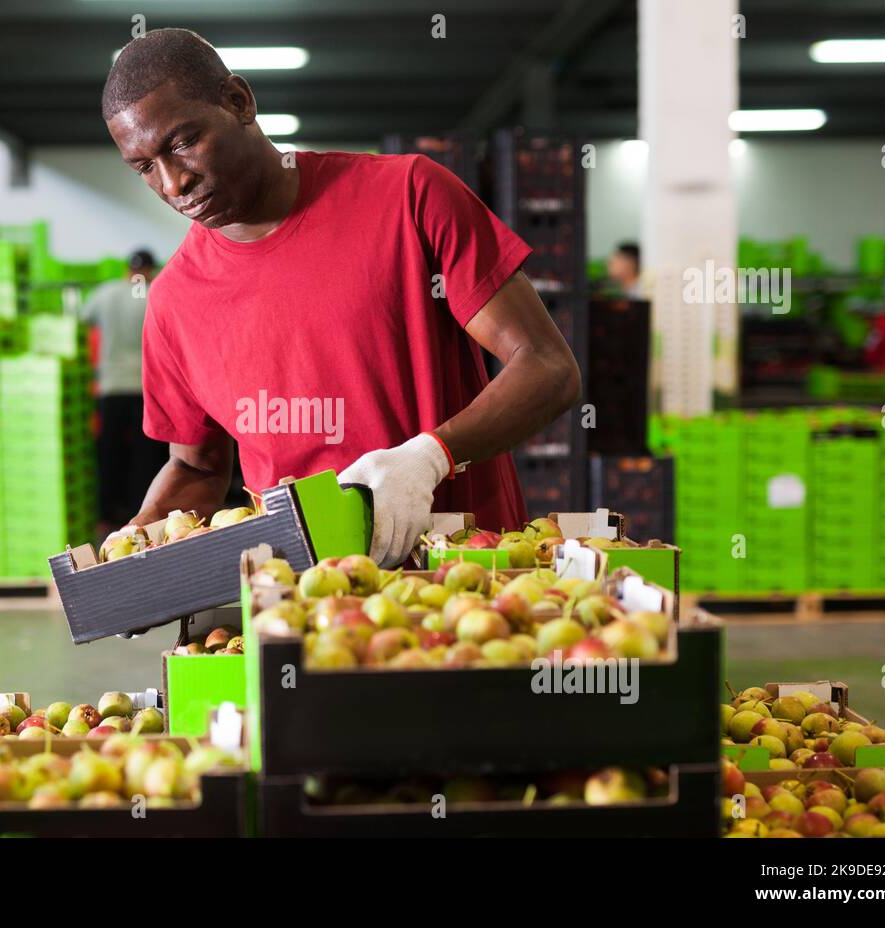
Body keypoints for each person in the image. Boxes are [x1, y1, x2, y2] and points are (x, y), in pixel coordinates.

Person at [101, 29, 581, 566]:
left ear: (238, 102)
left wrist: (430, 458)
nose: (172, 183)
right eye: (144, 166)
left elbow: (546, 367)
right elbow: (197, 468)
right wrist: (135, 551)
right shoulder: (174, 301)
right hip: (305, 596)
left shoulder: (409, 196)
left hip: (465, 573)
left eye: (183, 142)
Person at [79, 249, 170, 531]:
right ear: (152, 270)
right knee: (146, 454)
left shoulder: (106, 294)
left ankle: (107, 514)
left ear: (126, 269)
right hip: (147, 387)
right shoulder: (157, 293)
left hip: (112, 385)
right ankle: (141, 513)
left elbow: (82, 320)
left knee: (110, 450)